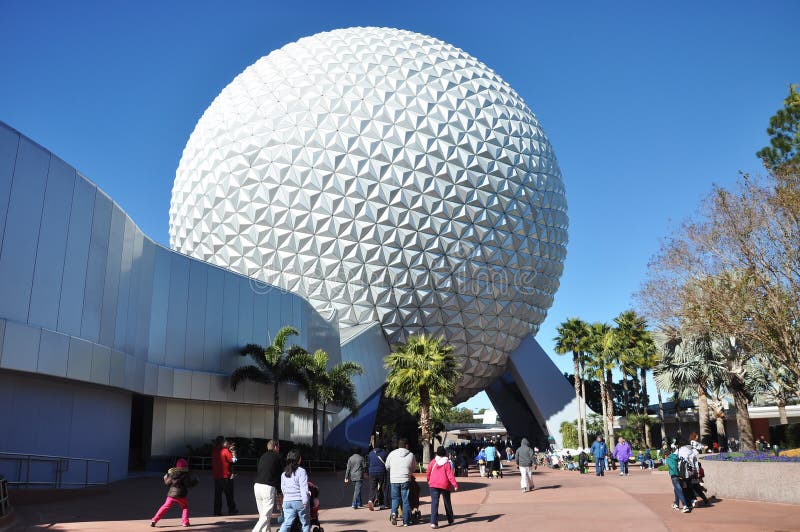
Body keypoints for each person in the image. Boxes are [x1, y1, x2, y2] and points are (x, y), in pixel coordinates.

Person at [150, 458, 198, 527]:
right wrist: (195, 481)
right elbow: (188, 484)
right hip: (181, 495)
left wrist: (165, 478)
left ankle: (154, 520)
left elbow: (167, 483)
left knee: (165, 507)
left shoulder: (172, 473)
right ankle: (185, 522)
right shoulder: (186, 474)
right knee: (185, 507)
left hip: (171, 495)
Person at [385, 438, 417, 527]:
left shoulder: (391, 454)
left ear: (398, 445)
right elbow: (414, 467)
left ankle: (394, 513)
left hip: (394, 479)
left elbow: (387, 465)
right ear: (406, 445)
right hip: (405, 479)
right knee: (405, 500)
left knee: (395, 498)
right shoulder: (411, 455)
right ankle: (406, 521)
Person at [252, 440, 282, 532]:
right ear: (276, 447)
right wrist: (280, 490)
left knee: (263, 515)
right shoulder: (278, 457)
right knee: (266, 516)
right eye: (278, 447)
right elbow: (281, 474)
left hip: (257, 486)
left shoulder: (263, 456)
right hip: (268, 487)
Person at [427, 446, 458, 529]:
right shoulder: (447, 463)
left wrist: (428, 480)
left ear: (436, 453)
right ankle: (450, 520)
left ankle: (433, 522)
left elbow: (428, 472)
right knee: (447, 502)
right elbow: (450, 475)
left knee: (434, 503)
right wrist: (455, 485)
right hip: (445, 484)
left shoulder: (433, 462)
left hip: (433, 484)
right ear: (445, 453)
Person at [279, 449, 310, 532]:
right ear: (299, 459)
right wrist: (305, 501)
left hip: (287, 502)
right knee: (305, 524)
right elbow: (303, 488)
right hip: (299, 501)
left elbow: (283, 489)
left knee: (286, 524)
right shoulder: (301, 471)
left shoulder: (284, 473)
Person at [212, 436, 238, 516]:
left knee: (218, 495)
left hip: (216, 476)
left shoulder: (214, 451)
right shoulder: (225, 451)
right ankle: (231, 510)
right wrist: (233, 453)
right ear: (222, 442)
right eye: (224, 441)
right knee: (229, 494)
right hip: (226, 476)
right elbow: (234, 460)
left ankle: (217, 511)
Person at [367, 442, 389, 510]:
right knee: (382, 487)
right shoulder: (384, 453)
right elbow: (387, 463)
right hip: (381, 471)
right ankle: (382, 504)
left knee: (372, 487)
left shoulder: (370, 453)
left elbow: (369, 462)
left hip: (372, 472)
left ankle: (370, 500)